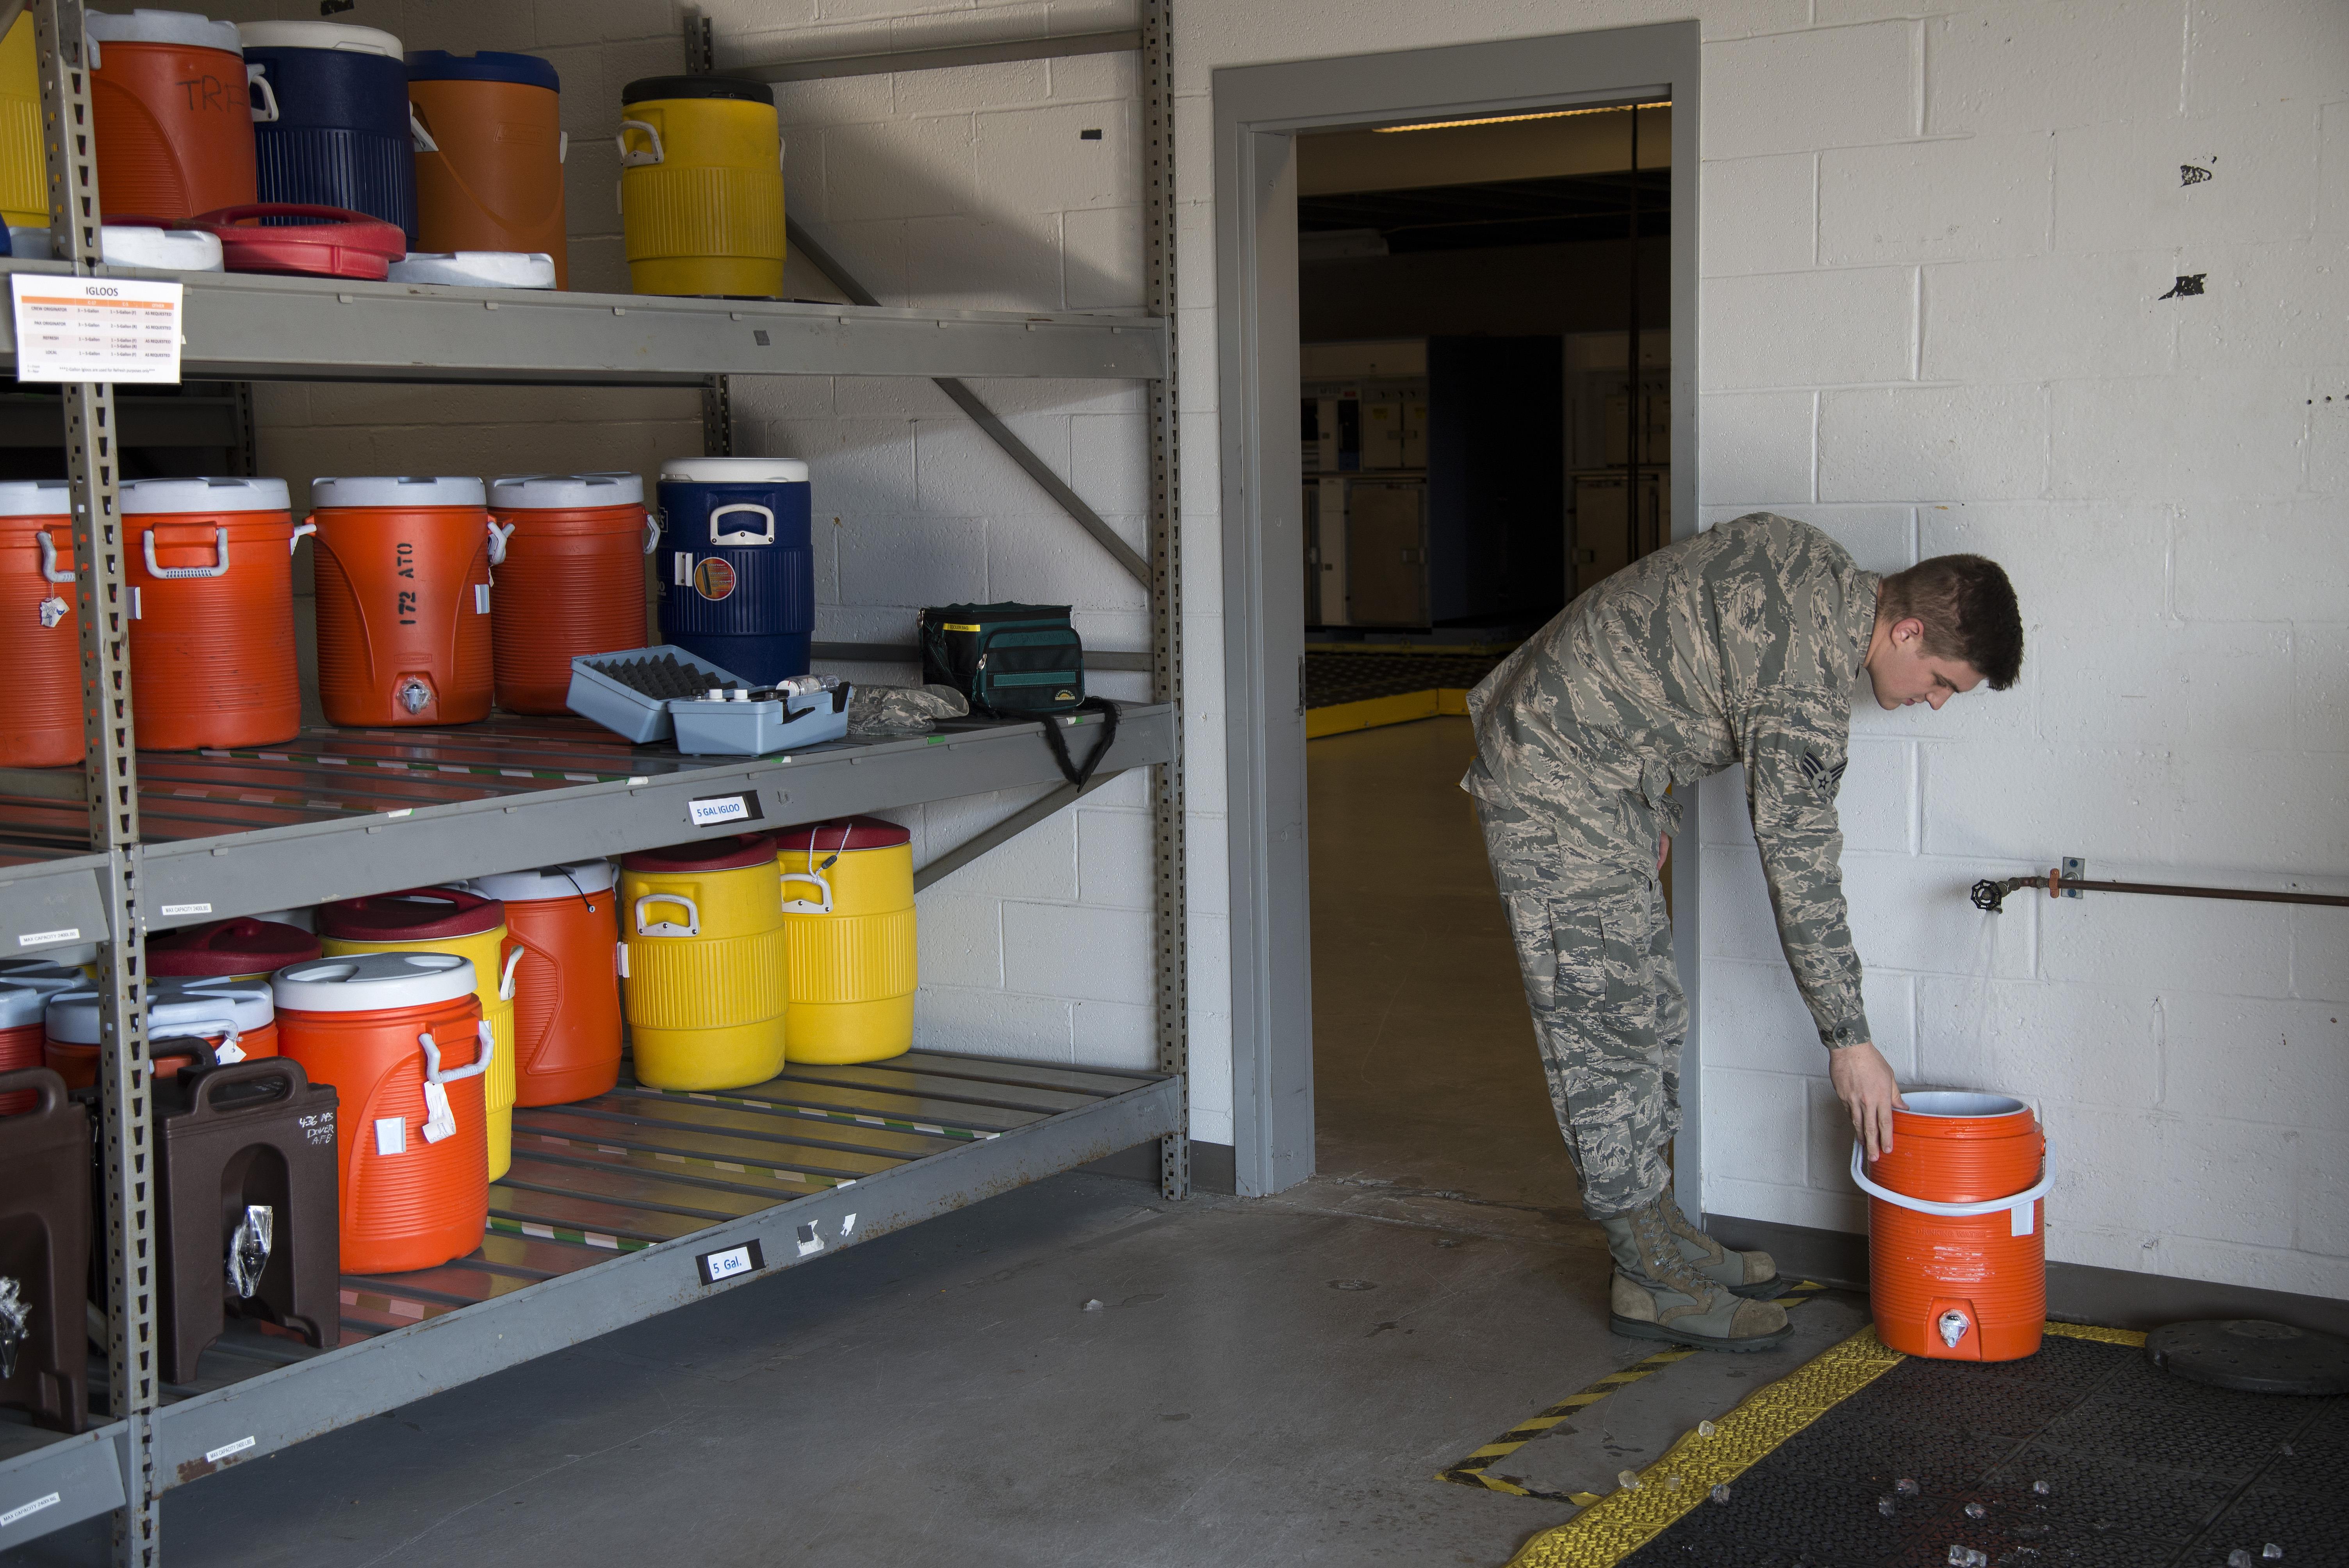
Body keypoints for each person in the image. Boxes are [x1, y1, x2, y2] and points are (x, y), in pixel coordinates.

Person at [1463, 512, 2023, 1351]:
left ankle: (1657, 1232)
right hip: (1556, 786)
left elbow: (1664, 638)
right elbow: (1798, 863)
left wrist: (1647, 793)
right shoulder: (1806, 682)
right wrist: (1849, 1039)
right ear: (1905, 630)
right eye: (1939, 679)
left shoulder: (1817, 570)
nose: (1933, 702)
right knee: (1603, 1032)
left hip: (1601, 778)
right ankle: (1646, 1280)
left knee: (1650, 1013)